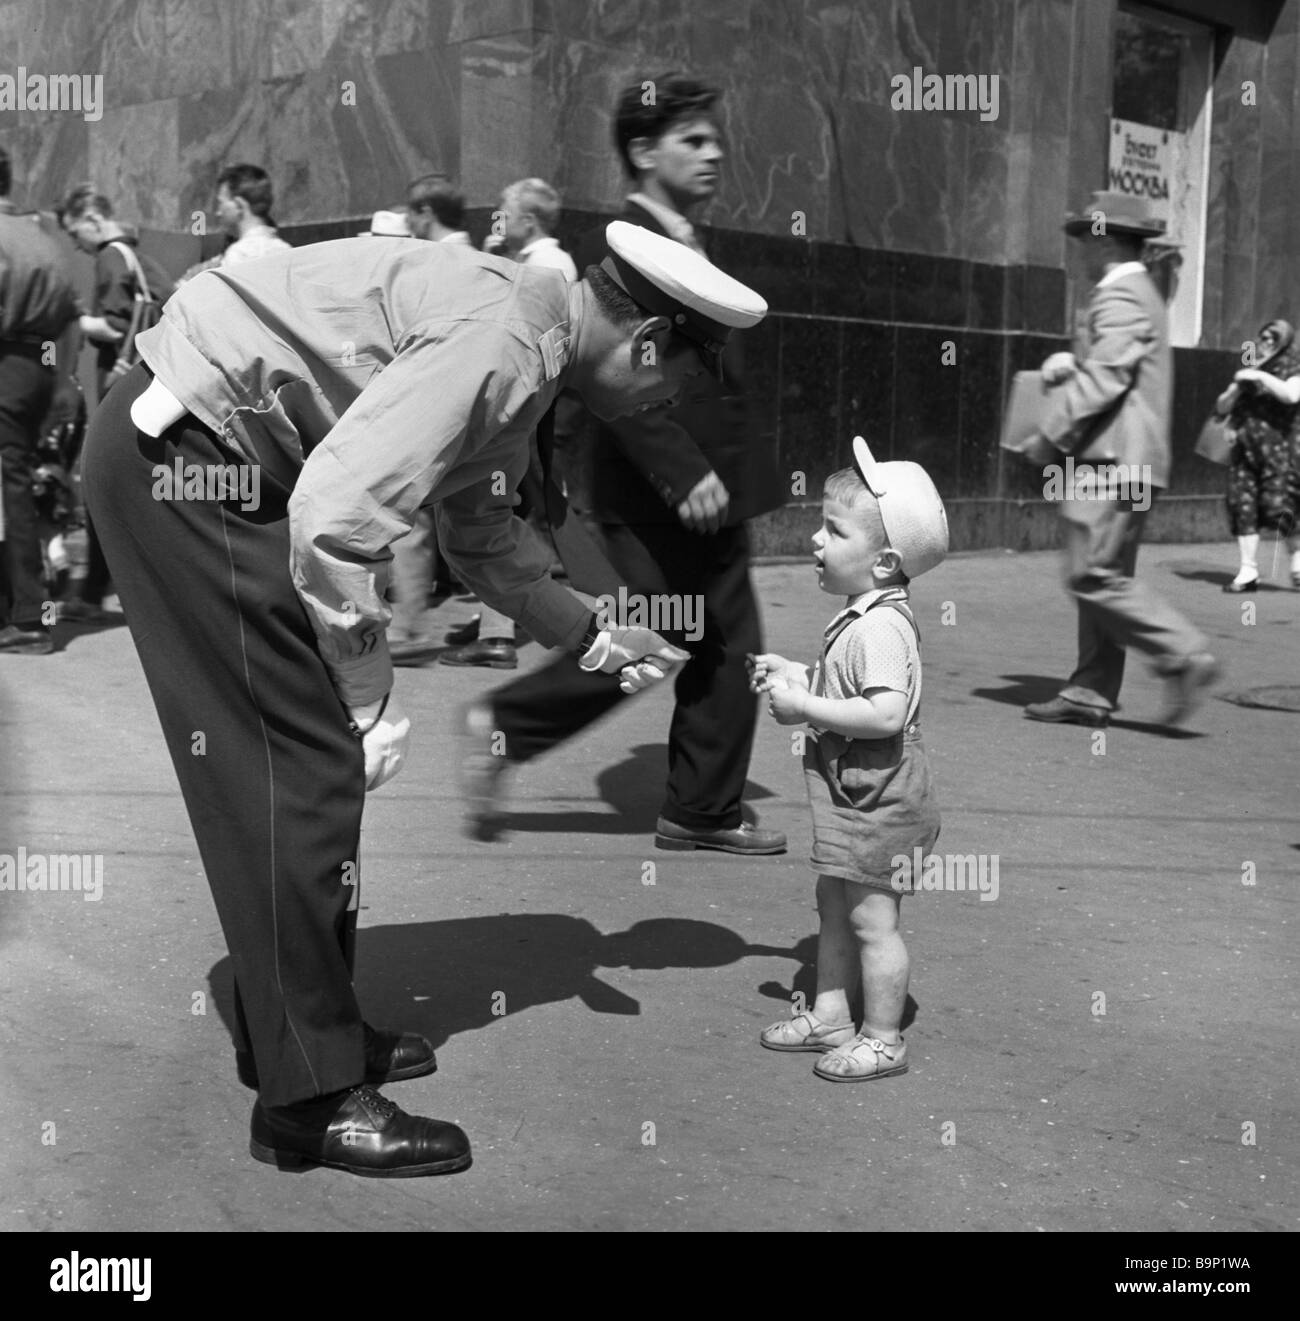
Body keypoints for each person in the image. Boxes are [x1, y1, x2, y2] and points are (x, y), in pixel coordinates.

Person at [80, 220, 761, 1177]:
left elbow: (479, 533)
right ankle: (308, 1100)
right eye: (678, 383)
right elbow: (336, 517)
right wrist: (367, 694)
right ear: (647, 343)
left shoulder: (531, 337)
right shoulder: (508, 340)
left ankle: (304, 1033)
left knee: (299, 767)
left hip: (204, 454)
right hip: (189, 463)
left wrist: (595, 636)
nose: (669, 403)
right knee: (305, 765)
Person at [466, 73, 787, 855]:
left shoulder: (681, 238)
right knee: (662, 634)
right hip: (656, 490)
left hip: (694, 489)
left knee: (704, 639)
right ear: (643, 151)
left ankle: (699, 806)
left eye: (716, 139)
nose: (715, 154)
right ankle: (512, 726)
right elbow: (624, 377)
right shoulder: (635, 249)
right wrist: (685, 471)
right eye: (693, 140)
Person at [753, 439, 948, 1082]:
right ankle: (833, 1015)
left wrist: (806, 705)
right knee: (833, 902)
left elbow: (885, 716)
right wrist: (802, 675)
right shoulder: (861, 614)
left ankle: (884, 1037)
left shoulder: (881, 627)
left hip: (881, 797)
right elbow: (855, 693)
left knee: (872, 919)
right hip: (854, 792)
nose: (815, 540)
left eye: (833, 531)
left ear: (885, 561)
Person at [1022, 190, 1219, 729]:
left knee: (1090, 574)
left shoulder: (1121, 294)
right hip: (1131, 462)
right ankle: (1091, 690)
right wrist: (1072, 361)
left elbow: (1107, 377)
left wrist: (1050, 433)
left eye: (1085, 236)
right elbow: (1114, 366)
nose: (1079, 249)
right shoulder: (1139, 292)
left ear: (1105, 237)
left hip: (1111, 462)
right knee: (1104, 572)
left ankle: (1184, 653)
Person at [444, 177, 580, 669]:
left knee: (504, 511)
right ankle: (498, 618)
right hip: (523, 408)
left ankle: (499, 631)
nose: (498, 219)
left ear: (529, 219)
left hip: (526, 410)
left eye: (505, 210)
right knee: (504, 509)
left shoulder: (547, 265)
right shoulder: (534, 262)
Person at [59, 183, 176, 622]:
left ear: (92, 220)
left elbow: (112, 325)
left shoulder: (111, 257)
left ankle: (93, 592)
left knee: (101, 486)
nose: (75, 243)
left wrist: (74, 317)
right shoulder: (135, 254)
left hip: (120, 386)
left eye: (75, 233)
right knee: (129, 487)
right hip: (145, 383)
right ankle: (110, 585)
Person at [0, 146, 80, 654]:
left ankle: (28, 616)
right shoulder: (41, 238)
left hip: (5, 364)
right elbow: (71, 318)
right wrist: (60, 383)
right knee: (14, 481)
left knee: (9, 487)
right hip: (37, 370)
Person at [1212, 318, 1300, 592]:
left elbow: (1291, 395)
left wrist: (1260, 377)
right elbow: (1222, 406)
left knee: (1280, 507)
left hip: (1280, 452)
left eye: (1273, 339)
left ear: (1285, 343)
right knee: (1242, 507)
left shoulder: (1293, 366)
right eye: (1263, 338)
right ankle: (1248, 571)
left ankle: (1298, 560)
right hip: (1245, 451)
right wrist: (1238, 386)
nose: (1266, 343)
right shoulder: (1248, 365)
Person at [406, 175, 471, 246]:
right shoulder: (474, 253)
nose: (407, 221)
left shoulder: (438, 255)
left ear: (426, 213)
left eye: (409, 213)